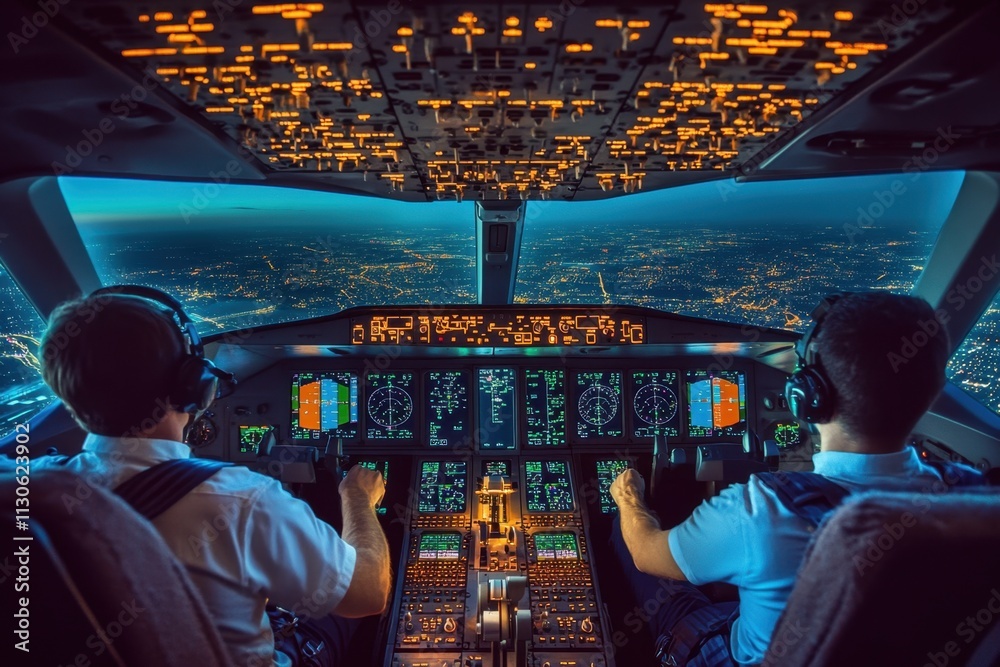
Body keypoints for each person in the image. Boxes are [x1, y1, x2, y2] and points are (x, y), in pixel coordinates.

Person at [36, 288, 391, 667]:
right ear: (191, 384)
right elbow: (369, 595)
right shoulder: (240, 500)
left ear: (71, 399)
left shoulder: (35, 496)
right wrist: (356, 498)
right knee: (343, 616)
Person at [610, 291, 965, 666]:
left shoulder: (765, 509)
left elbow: (648, 554)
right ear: (933, 395)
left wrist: (630, 499)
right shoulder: (976, 498)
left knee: (642, 550)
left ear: (808, 394)